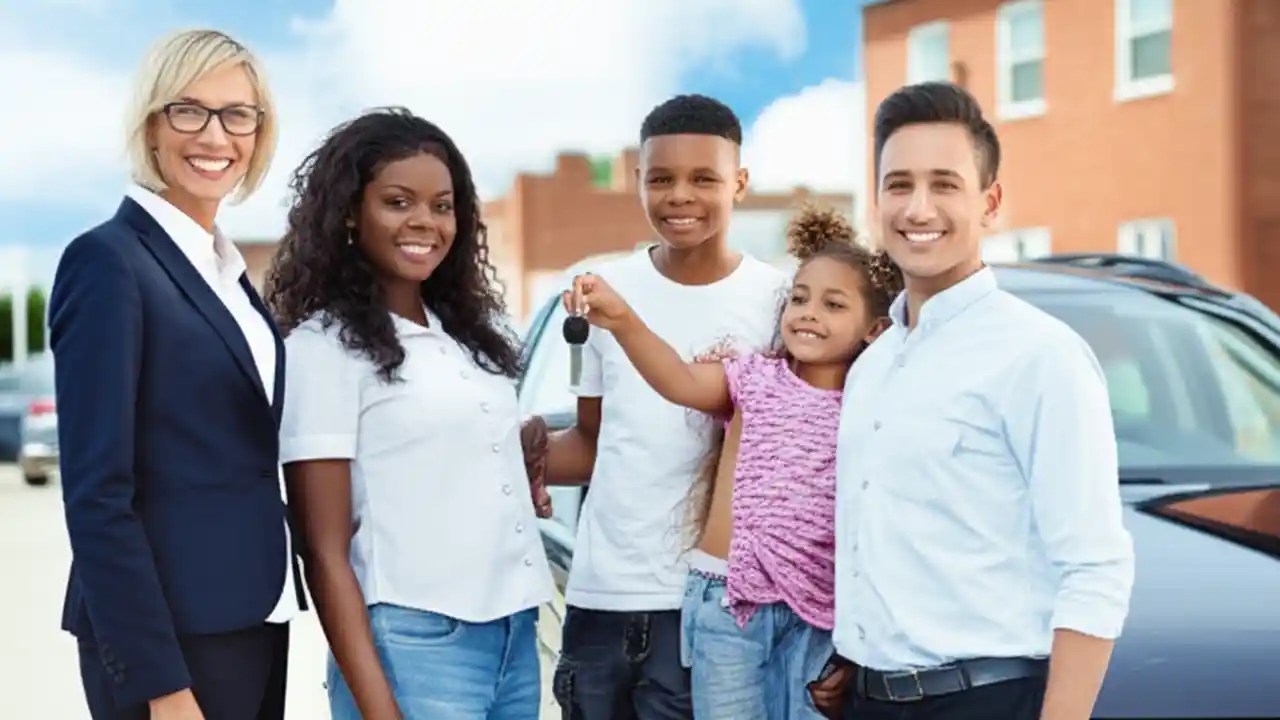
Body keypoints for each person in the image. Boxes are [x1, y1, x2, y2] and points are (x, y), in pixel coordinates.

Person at [826, 81, 1136, 719]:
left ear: (990, 203)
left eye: (944, 184)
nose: (918, 208)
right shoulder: (872, 365)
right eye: (898, 184)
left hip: (987, 701)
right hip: (867, 700)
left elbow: (1095, 568)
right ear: (876, 200)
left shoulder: (1040, 355)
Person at [264, 107, 555, 720]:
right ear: (349, 211)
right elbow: (324, 552)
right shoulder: (322, 348)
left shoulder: (467, 340)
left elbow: (484, 455)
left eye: (442, 206)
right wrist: (379, 709)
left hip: (513, 637)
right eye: (398, 202)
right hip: (415, 648)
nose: (425, 222)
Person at [48, 29, 303, 720]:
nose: (215, 135)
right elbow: (98, 493)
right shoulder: (108, 263)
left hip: (252, 619)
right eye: (189, 110)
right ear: (152, 124)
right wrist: (161, 684)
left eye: (237, 114)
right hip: (170, 644)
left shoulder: (227, 274)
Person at [562, 204, 902, 719]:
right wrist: (624, 321)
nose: (809, 312)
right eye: (800, 299)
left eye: (833, 305)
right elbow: (675, 378)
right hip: (729, 603)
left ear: (875, 329)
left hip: (817, 616)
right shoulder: (754, 380)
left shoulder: (869, 410)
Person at [533, 93, 791, 719]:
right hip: (599, 596)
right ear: (638, 182)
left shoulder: (780, 299)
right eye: (661, 178)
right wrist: (521, 454)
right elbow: (593, 445)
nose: (680, 195)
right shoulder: (603, 289)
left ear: (741, 184)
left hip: (714, 604)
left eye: (705, 178)